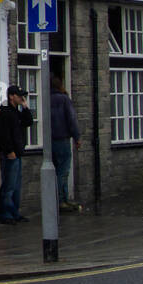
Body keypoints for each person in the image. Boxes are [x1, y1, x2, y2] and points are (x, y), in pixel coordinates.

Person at [0, 85, 33, 225]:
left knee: (16, 187)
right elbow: (3, 135)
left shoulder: (16, 113)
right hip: (10, 154)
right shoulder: (5, 113)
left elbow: (28, 122)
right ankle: (5, 214)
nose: (21, 98)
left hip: (17, 153)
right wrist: (9, 151)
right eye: (19, 96)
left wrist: (25, 106)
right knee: (9, 186)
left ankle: (14, 213)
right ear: (11, 96)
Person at [50, 74, 82, 213]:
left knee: (54, 171)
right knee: (63, 172)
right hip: (62, 139)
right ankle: (61, 200)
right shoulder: (64, 99)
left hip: (49, 141)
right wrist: (77, 137)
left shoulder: (45, 99)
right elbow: (72, 119)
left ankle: (57, 199)